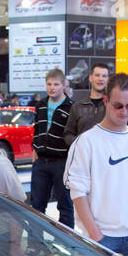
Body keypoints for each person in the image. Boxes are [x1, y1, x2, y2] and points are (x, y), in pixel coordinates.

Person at [64, 72, 128, 256]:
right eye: (118, 106)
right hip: (100, 238)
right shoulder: (86, 142)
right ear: (106, 101)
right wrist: (94, 233)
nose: (124, 111)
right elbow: (77, 191)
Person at [31, 67, 75, 228]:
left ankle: (69, 245)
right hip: (41, 161)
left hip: (61, 162)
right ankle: (35, 244)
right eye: (49, 84)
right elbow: (37, 128)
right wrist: (34, 147)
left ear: (64, 85)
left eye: (56, 84)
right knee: (36, 206)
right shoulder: (41, 105)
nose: (52, 87)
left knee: (65, 205)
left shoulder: (71, 107)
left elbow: (73, 135)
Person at [64, 62, 109, 146]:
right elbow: (68, 134)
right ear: (90, 78)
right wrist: (80, 144)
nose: (101, 79)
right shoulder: (78, 106)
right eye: (97, 75)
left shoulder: (112, 107)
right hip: (83, 156)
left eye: (104, 76)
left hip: (106, 156)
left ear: (108, 80)